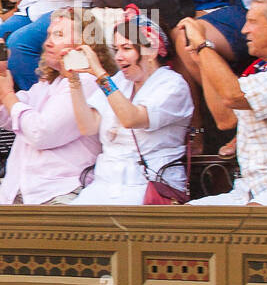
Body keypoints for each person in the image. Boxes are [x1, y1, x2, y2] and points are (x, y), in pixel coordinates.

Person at [183, 0, 267, 205]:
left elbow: (234, 96)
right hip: (250, 189)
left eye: (252, 22)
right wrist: (201, 58)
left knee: (250, 221)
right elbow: (225, 119)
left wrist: (204, 45)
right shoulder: (261, 71)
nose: (244, 30)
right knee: (185, 218)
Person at [0, 7, 107, 204]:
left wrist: (6, 93)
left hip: (59, 194)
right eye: (49, 35)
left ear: (85, 44)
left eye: (59, 35)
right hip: (15, 192)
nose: (48, 43)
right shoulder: (46, 85)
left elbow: (41, 133)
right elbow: (5, 118)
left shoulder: (87, 83)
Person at [68, 10, 194, 205]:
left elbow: (131, 119)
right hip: (105, 183)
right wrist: (73, 81)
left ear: (150, 50)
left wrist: (101, 75)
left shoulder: (173, 85)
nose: (118, 57)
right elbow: (88, 127)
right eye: (116, 49)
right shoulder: (120, 81)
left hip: (148, 186)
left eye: (126, 48)